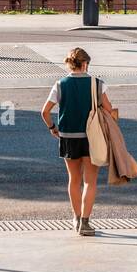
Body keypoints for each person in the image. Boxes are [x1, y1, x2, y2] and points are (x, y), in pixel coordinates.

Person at [40, 47, 114, 236]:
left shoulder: (60, 84)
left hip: (68, 137)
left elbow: (45, 112)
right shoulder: (97, 84)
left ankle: (75, 218)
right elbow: (109, 108)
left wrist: (52, 128)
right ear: (85, 64)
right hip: (92, 138)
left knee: (74, 180)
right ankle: (85, 223)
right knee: (90, 181)